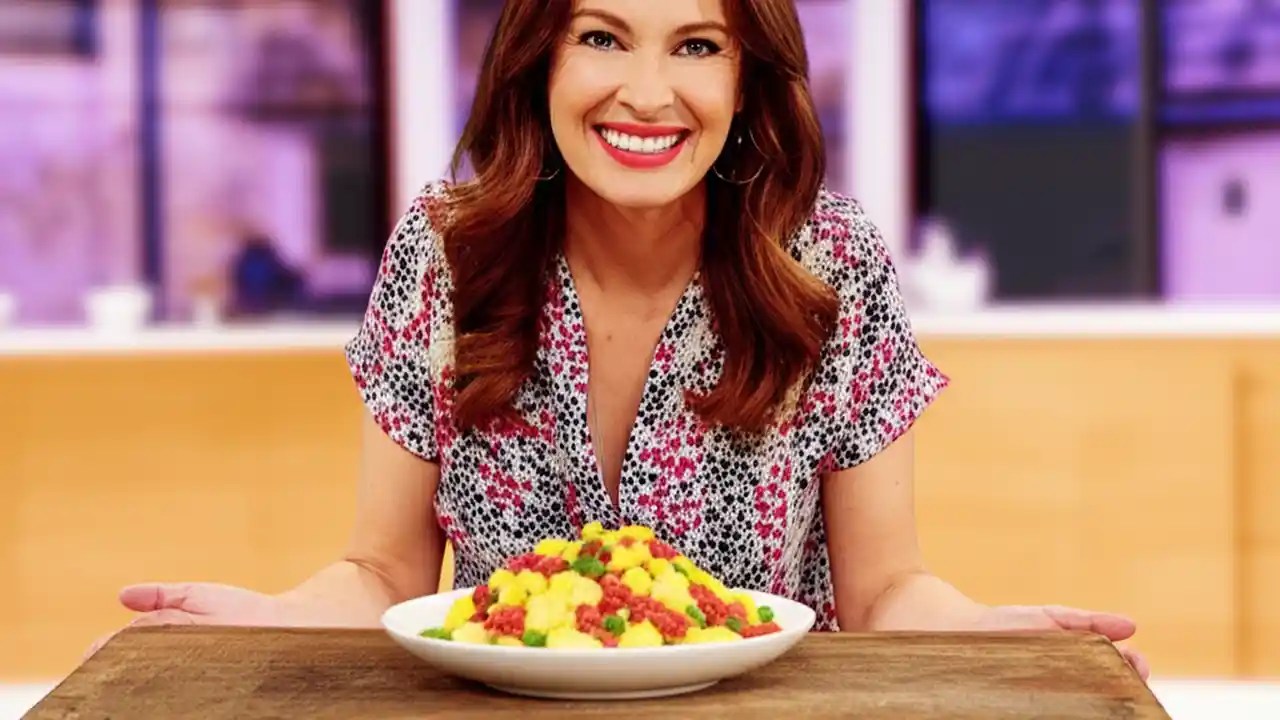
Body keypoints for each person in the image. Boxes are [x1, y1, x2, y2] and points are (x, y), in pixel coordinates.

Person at [97, 0, 1147, 678]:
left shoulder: (828, 259)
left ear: (744, 82)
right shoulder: (444, 251)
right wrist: (264, 620)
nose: (646, 94)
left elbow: (880, 592)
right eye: (601, 36)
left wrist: (989, 637)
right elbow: (382, 571)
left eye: (695, 46)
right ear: (538, 60)